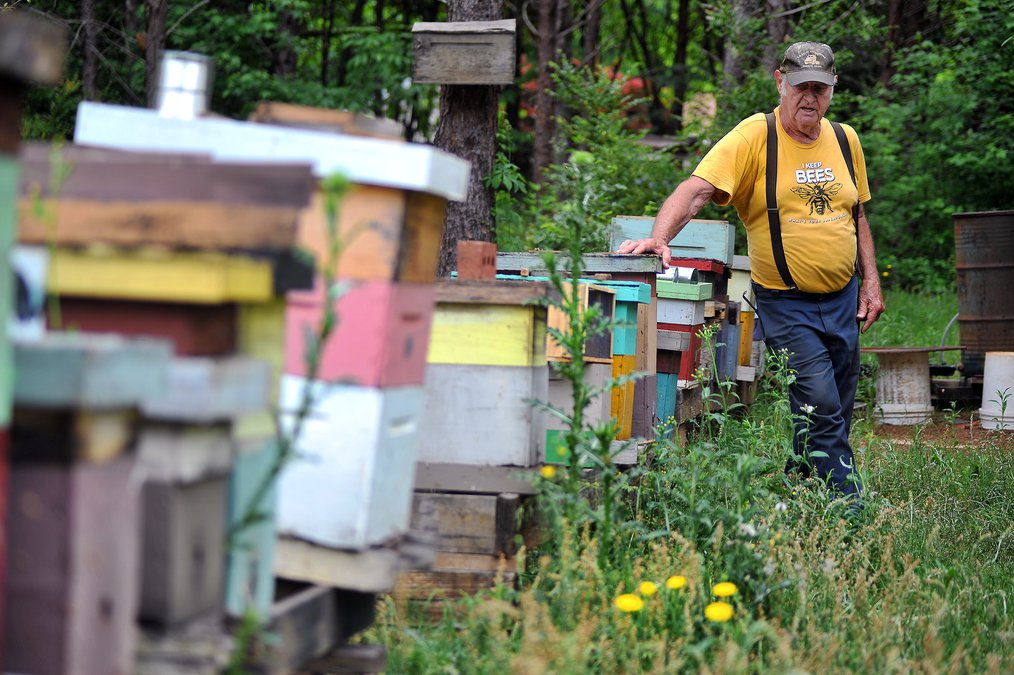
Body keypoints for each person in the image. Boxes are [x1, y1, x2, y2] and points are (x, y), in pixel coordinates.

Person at [618, 41, 885, 500]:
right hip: (787, 301)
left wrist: (871, 284)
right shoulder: (752, 138)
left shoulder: (845, 139)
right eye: (801, 87)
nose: (810, 98)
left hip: (843, 297)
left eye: (820, 89)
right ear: (780, 82)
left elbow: (857, 215)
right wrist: (660, 238)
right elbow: (696, 190)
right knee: (821, 401)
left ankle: (800, 485)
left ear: (833, 89)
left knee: (833, 400)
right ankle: (847, 505)